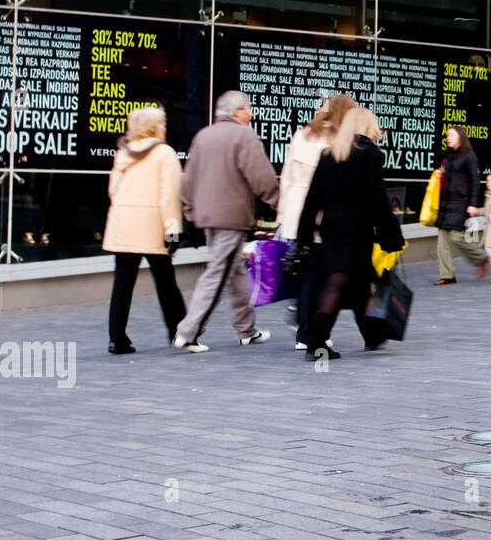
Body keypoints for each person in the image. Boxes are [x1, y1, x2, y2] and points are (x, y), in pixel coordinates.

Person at [173, 91, 280, 351]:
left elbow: (187, 179)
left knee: (235, 272)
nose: (251, 112)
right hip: (231, 218)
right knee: (218, 274)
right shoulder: (243, 136)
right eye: (248, 108)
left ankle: (247, 330)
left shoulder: (204, 135)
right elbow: (262, 177)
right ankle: (188, 332)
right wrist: (281, 205)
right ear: (236, 112)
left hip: (208, 217)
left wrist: (189, 211)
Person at [296, 107, 404, 359]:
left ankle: (374, 335)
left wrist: (304, 236)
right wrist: (391, 233)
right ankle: (317, 341)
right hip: (357, 229)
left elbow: (312, 199)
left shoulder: (329, 154)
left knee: (358, 283)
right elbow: (377, 198)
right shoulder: (370, 154)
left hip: (332, 227)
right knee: (338, 281)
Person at [101, 107, 185, 354]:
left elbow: (113, 189)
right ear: (153, 127)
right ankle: (179, 330)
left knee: (122, 284)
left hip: (122, 225)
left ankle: (117, 338)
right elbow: (169, 196)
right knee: (166, 282)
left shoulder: (123, 153)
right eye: (162, 123)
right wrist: (172, 231)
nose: (165, 127)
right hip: (151, 225)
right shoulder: (164, 153)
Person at [275, 94, 356, 350]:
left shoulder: (300, 136)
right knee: (319, 274)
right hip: (320, 212)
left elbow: (286, 176)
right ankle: (309, 332)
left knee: (310, 271)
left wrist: (281, 213)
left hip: (295, 209)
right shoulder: (336, 141)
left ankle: (304, 329)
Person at [433, 126, 486, 285]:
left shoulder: (469, 156)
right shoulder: (449, 157)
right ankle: (447, 274)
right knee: (442, 241)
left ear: (460, 137)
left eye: (452, 135)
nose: (448, 138)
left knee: (456, 237)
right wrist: (440, 174)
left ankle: (481, 258)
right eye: (447, 135)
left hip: (460, 202)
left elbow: (474, 181)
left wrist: (473, 204)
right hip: (446, 203)